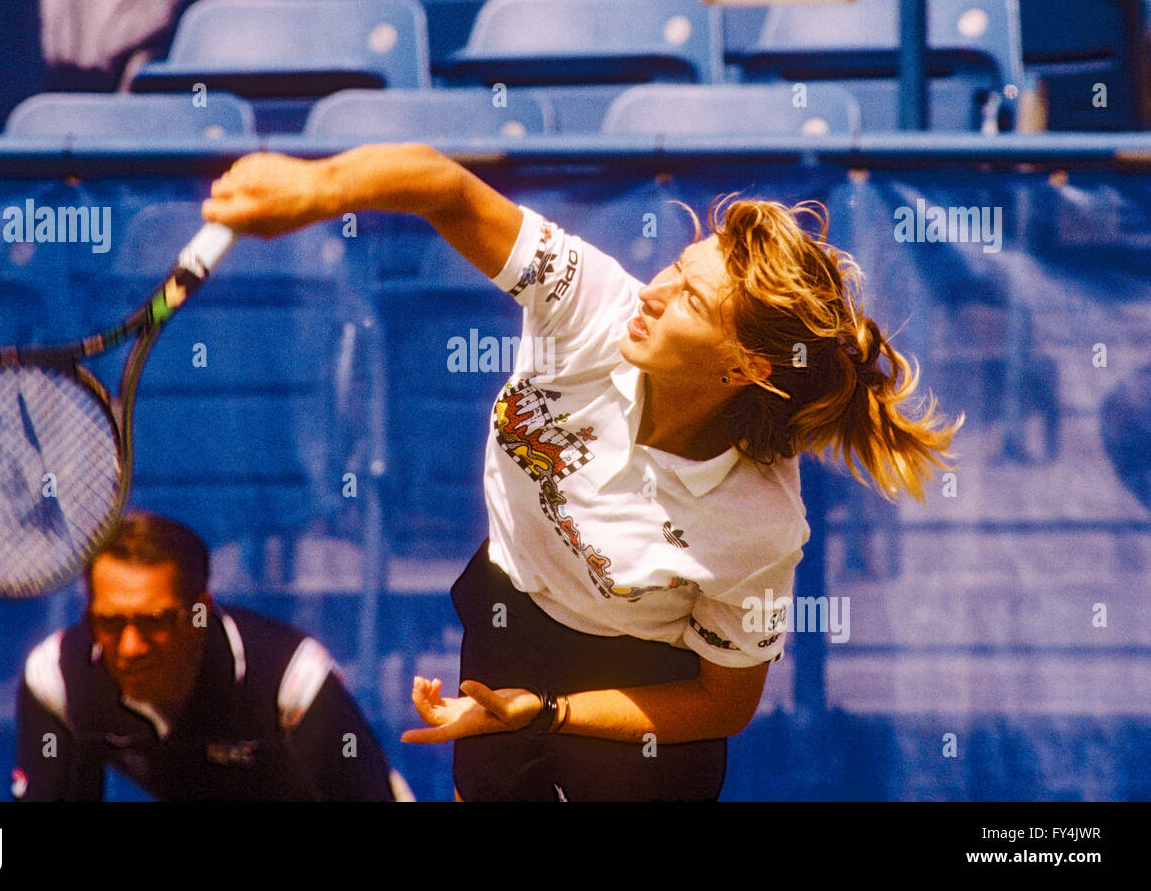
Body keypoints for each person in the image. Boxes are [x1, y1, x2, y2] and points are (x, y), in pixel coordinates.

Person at [202, 144, 963, 801]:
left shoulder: (758, 524)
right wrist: (318, 188)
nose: (656, 290)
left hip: (642, 686)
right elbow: (443, 186)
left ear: (744, 367)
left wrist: (552, 710)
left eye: (691, 297)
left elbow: (721, 701)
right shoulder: (596, 304)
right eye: (676, 263)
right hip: (510, 613)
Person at [13, 511, 398, 801]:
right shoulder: (55, 677)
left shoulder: (292, 681)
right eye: (110, 623)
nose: (130, 648)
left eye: (155, 622)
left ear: (200, 612)